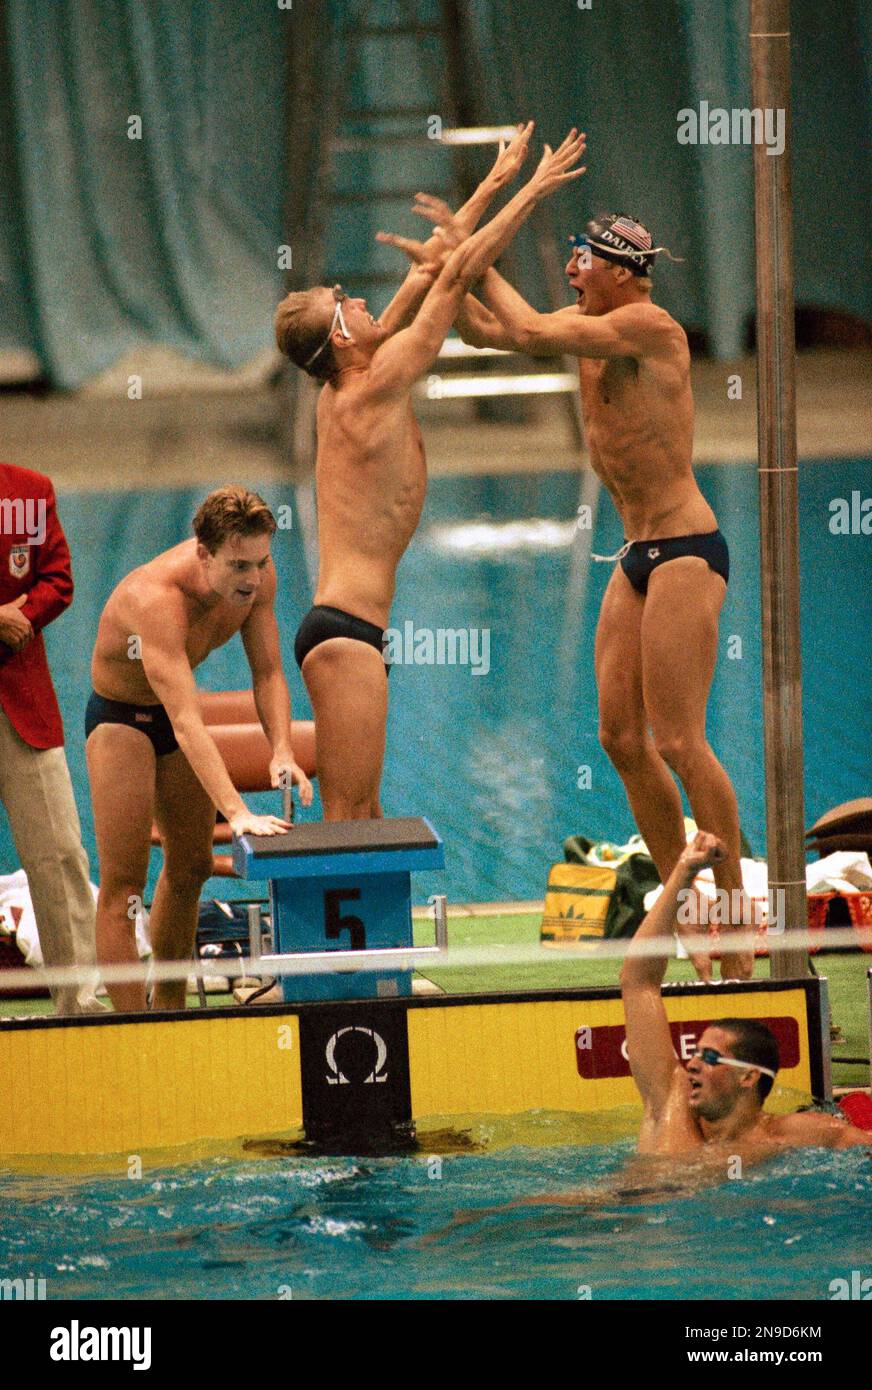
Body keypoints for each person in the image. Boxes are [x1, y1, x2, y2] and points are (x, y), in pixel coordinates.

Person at [439, 203, 752, 980]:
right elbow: (494, 331)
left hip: (684, 548)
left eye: (583, 260)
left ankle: (741, 920)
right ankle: (682, 901)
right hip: (636, 551)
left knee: (681, 740)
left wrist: (471, 249)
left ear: (621, 272)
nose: (573, 270)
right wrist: (443, 270)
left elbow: (533, 329)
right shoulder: (590, 327)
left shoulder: (649, 328)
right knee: (620, 738)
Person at [274, 123, 585, 820]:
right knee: (351, 819)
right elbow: (456, 273)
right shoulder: (371, 387)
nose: (359, 300)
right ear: (343, 338)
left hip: (351, 631)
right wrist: (534, 186)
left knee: (364, 811)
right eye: (347, 302)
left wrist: (493, 182)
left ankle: (375, 933)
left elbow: (426, 269)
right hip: (345, 635)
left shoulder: (350, 380)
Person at [86, 486, 313, 1013]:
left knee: (190, 866)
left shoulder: (257, 578)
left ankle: (169, 1002)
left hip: (176, 714)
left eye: (261, 562)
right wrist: (236, 813)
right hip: (124, 719)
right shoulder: (156, 599)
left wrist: (281, 749)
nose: (252, 578)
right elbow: (188, 723)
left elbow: (269, 671)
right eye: (239, 566)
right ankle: (131, 1031)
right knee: (123, 886)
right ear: (204, 553)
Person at [620, 831, 870, 1158]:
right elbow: (638, 982)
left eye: (709, 1057)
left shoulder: (791, 1135)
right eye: (696, 1053)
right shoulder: (671, 1104)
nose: (691, 1064)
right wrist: (684, 872)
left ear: (748, 1076)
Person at [0, 461, 103, 1015]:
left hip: (23, 705)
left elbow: (58, 580)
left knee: (60, 856)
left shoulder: (31, 490)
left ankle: (79, 1004)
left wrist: (20, 618)